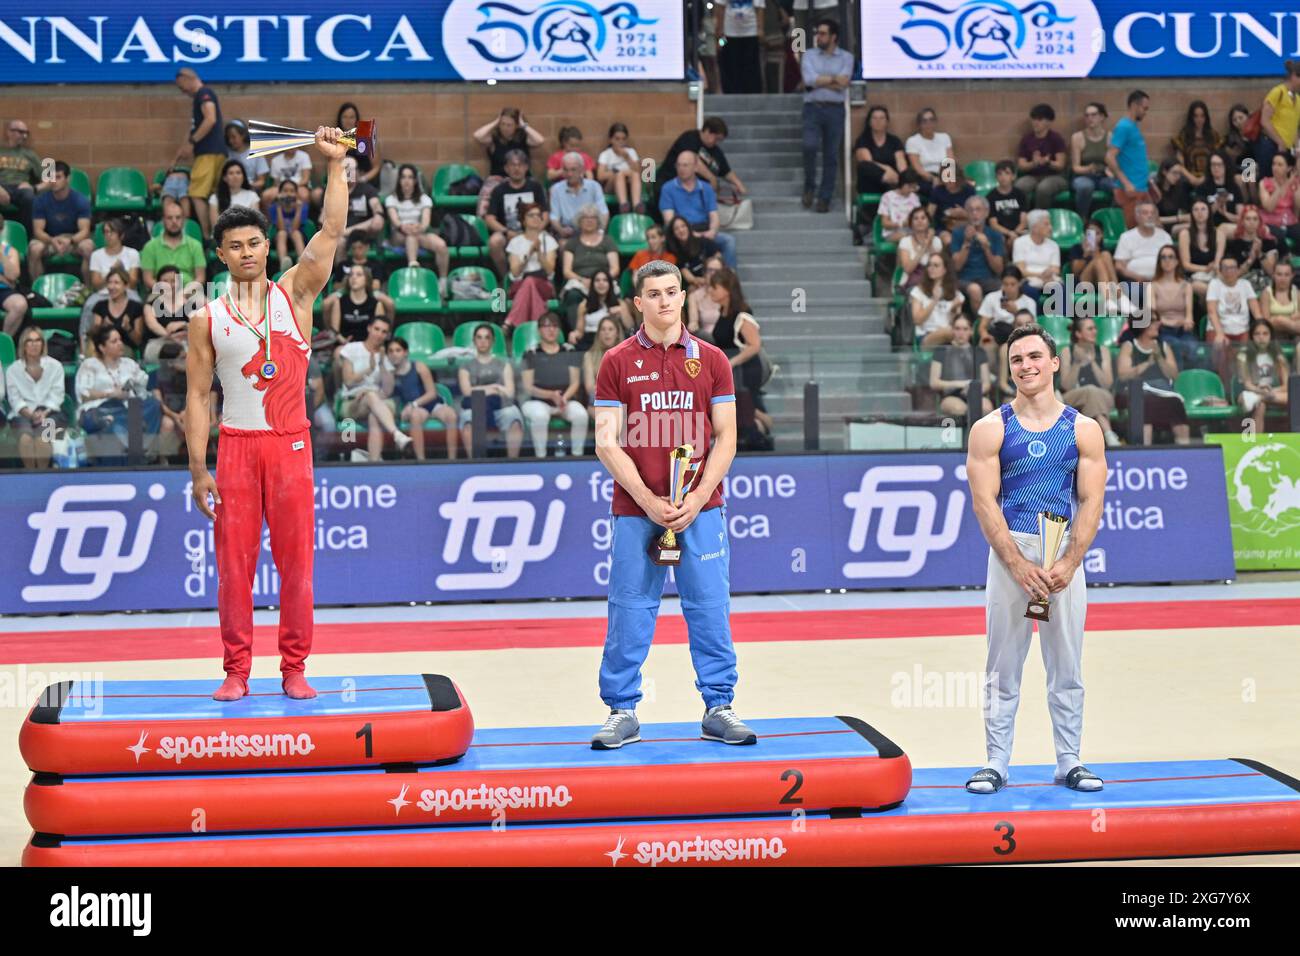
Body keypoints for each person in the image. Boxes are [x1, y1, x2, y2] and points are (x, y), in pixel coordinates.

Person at [184, 125, 351, 703]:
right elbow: (198, 398)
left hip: (290, 446)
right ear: (222, 254)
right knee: (234, 567)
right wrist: (198, 470)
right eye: (235, 245)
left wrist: (334, 163)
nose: (247, 252)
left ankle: (294, 667)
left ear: (266, 247)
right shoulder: (207, 318)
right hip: (235, 448)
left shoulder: (295, 294)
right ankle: (236, 669)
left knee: (296, 566)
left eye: (255, 243)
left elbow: (331, 229)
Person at [589, 258, 755, 749]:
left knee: (709, 607)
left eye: (672, 291)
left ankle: (718, 705)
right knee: (630, 609)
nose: (665, 300)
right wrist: (645, 498)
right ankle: (622, 710)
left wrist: (699, 496)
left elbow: (726, 438)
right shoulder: (616, 361)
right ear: (638, 303)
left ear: (684, 296)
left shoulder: (713, 360)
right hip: (635, 512)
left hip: (701, 511)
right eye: (654, 294)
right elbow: (605, 441)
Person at [964, 323, 1107, 795]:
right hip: (1013, 551)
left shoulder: (1084, 429)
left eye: (1033, 357)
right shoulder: (990, 429)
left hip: (1062, 549)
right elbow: (985, 504)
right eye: (1016, 361)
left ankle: (1069, 760)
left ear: (1054, 362)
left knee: (1066, 665)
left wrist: (1068, 562)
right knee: (1002, 664)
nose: (1025, 366)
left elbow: (1090, 501)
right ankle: (996, 762)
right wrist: (1017, 563)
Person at [76, 324, 166, 460]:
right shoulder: (89, 365)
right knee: (114, 416)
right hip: (102, 408)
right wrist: (111, 394)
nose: (120, 344)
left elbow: (143, 388)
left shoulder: (129, 363)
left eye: (120, 340)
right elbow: (84, 394)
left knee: (153, 404)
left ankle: (145, 449)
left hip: (130, 408)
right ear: (102, 347)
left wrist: (135, 384)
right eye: (114, 341)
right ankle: (131, 442)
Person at [338, 315, 413, 460]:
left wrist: (381, 364)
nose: (379, 334)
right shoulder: (351, 349)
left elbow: (388, 390)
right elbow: (347, 380)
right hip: (352, 402)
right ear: (369, 328)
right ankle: (397, 434)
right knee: (371, 396)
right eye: (377, 329)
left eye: (384, 332)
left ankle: (373, 464)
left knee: (374, 415)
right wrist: (369, 369)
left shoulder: (386, 355)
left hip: (380, 402)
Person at [799, 17, 854, 213]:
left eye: (822, 34)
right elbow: (809, 79)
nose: (818, 37)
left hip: (835, 109)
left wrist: (822, 82)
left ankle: (825, 197)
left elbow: (844, 83)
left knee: (831, 155)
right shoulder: (809, 55)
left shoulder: (846, 57)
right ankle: (809, 186)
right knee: (809, 146)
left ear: (833, 37)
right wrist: (833, 80)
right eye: (817, 33)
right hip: (813, 107)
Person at [521, 312, 588, 456]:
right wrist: (551, 395)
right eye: (546, 326)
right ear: (539, 330)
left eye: (554, 326)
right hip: (537, 401)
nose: (551, 330)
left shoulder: (568, 350)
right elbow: (528, 387)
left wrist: (563, 398)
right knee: (539, 416)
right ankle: (541, 457)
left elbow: (575, 382)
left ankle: (577, 456)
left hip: (566, 400)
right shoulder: (531, 352)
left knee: (581, 415)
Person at [1117, 317, 1190, 445]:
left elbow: (1174, 375)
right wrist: (1147, 363)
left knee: (1176, 402)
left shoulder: (1164, 346)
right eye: (1154, 321)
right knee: (1145, 403)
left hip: (1163, 391)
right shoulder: (1129, 346)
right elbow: (1123, 375)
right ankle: (1145, 453)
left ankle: (1185, 453)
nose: (1159, 324)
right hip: (1137, 391)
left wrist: (1159, 357)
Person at [386, 335, 459, 461]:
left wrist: (414, 404)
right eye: (391, 351)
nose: (394, 354)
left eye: (398, 350)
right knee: (415, 416)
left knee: (451, 415)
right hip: (414, 410)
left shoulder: (419, 366)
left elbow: (432, 393)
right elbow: (388, 395)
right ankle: (421, 460)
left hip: (431, 403)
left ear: (405, 352)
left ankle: (452, 460)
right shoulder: (389, 374)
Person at [658, 151, 736, 269]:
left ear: (695, 167)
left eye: (685, 165)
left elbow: (714, 216)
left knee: (728, 241)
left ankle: (729, 279)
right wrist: (692, 234)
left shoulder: (706, 188)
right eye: (678, 165)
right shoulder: (668, 188)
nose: (681, 169)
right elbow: (670, 220)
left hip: (704, 229)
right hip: (682, 231)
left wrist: (712, 231)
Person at [457, 323, 524, 457]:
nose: (482, 341)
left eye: (487, 338)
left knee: (514, 419)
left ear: (492, 341)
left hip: (501, 405)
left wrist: (478, 389)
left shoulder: (504, 365)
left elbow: (510, 392)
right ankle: (474, 463)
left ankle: (513, 463)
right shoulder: (465, 366)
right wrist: (494, 388)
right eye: (479, 337)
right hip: (474, 406)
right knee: (467, 422)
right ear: (474, 341)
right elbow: (466, 392)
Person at [5, 325, 66, 469]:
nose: (34, 345)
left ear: (43, 344)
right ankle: (30, 475)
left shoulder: (55, 366)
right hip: (22, 414)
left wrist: (44, 413)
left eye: (38, 340)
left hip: (51, 414)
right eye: (29, 341)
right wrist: (31, 414)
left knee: (43, 439)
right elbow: (14, 399)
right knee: (26, 439)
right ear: (23, 345)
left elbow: (57, 395)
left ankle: (43, 474)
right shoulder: (13, 370)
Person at [174, 68, 224, 239]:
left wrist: (193, 142)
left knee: (196, 193)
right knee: (211, 196)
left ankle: (208, 236)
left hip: (209, 152)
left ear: (188, 78)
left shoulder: (204, 93)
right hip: (211, 153)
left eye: (182, 87)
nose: (184, 92)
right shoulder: (200, 97)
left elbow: (211, 119)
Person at [485, 149, 550, 278]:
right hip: (509, 233)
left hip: (534, 231)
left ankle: (546, 279)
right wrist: (506, 232)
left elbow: (546, 215)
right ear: (506, 169)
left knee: (546, 240)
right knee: (494, 242)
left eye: (520, 165)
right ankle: (506, 278)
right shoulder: (498, 190)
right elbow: (489, 218)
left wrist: (534, 231)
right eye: (512, 165)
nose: (516, 169)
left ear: (526, 167)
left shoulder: (535, 187)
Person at [1058, 316, 1119, 446]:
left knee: (1093, 393)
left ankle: (1093, 442)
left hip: (1103, 396)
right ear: (1078, 334)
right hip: (1074, 396)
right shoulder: (1067, 351)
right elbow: (1066, 386)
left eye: (1095, 328)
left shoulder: (1103, 351)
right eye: (1090, 329)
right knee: (1090, 391)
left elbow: (1107, 384)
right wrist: (1077, 363)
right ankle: (1108, 434)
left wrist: (1092, 362)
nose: (1095, 332)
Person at [383, 163, 449, 282]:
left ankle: (443, 282)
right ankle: (413, 270)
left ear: (415, 180)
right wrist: (403, 227)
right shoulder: (391, 199)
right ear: (398, 180)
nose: (406, 181)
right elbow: (395, 221)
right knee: (410, 236)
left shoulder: (425, 199)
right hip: (398, 235)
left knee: (441, 245)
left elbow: (425, 222)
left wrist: (419, 227)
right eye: (403, 177)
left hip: (418, 232)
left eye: (410, 177)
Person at [28, 161, 93, 281]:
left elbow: (85, 230)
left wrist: (71, 240)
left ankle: (88, 292)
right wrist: (52, 240)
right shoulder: (40, 201)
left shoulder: (80, 200)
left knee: (88, 247)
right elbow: (38, 231)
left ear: (67, 178)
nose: (54, 181)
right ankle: (36, 292)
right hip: (48, 238)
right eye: (52, 178)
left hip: (73, 239)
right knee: (34, 249)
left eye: (58, 177)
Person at [503, 202, 560, 330]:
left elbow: (550, 270)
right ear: (523, 220)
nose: (536, 218)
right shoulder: (515, 242)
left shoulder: (549, 241)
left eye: (538, 215)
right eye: (531, 215)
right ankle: (538, 325)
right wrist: (529, 253)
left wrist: (539, 252)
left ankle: (511, 322)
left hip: (543, 284)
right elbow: (515, 273)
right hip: (520, 285)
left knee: (530, 282)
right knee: (529, 284)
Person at [662, 118, 747, 201]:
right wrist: (711, 178)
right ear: (707, 131)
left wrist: (738, 184)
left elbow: (725, 171)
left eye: (719, 140)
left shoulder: (715, 151)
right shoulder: (689, 138)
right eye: (716, 138)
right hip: (675, 187)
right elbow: (693, 161)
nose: (716, 142)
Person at [950, 194, 1006, 315]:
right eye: (971, 210)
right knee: (975, 290)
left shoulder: (995, 235)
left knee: (1006, 289)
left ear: (986, 212)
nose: (975, 214)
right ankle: (980, 325)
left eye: (978, 210)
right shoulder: (957, 234)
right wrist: (966, 242)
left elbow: (999, 269)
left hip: (988, 278)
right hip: (964, 279)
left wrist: (986, 247)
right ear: (967, 214)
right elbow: (956, 267)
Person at [928, 313, 992, 417]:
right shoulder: (941, 351)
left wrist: (974, 391)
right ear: (952, 330)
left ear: (971, 331)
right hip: (950, 396)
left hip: (976, 394)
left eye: (965, 329)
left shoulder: (979, 352)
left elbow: (986, 384)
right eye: (957, 329)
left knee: (986, 408)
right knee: (960, 409)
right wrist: (961, 384)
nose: (961, 333)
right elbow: (934, 382)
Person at [1106, 89, 1152, 227]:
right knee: (1134, 233)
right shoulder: (1124, 127)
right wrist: (1125, 183)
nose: (1145, 112)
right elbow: (1109, 157)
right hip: (1130, 191)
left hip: (1141, 187)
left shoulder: (1134, 126)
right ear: (1134, 105)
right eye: (1144, 108)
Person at [1149, 244, 1198, 369]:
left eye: (1171, 257)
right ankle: (1177, 382)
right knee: (1174, 345)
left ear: (1177, 261)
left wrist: (1186, 321)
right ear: (1159, 262)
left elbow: (1189, 316)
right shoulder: (1152, 286)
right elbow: (1153, 315)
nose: (1167, 261)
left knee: (1193, 347)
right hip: (1163, 329)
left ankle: (1192, 382)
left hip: (1182, 330)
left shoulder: (1186, 286)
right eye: (1163, 257)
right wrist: (1168, 322)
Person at [141, 197, 206, 288]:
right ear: (163, 220)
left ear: (184, 220)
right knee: (148, 303)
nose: (174, 221)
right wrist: (167, 292)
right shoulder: (150, 247)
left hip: (189, 292)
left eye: (178, 217)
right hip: (160, 293)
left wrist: (184, 294)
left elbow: (200, 277)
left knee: (207, 301)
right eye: (169, 218)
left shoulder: (195, 245)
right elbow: (148, 279)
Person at [1238, 319, 1289, 433]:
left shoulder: (1278, 357)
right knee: (1260, 405)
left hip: (1272, 393)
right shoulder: (1243, 355)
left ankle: (1260, 398)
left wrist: (1271, 390)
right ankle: (1258, 443)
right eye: (1257, 334)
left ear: (1271, 336)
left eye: (1265, 333)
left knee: (1293, 397)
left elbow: (1286, 386)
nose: (1261, 337)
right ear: (1252, 337)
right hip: (1250, 392)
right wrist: (1259, 390)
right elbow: (1247, 385)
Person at [1014, 104, 1069, 210]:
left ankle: (1040, 217)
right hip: (1032, 175)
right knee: (1020, 186)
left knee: (1043, 188)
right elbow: (1021, 165)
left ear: (1048, 122)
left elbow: (1060, 165)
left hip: (1055, 176)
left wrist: (1048, 162)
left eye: (1040, 119)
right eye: (1034, 119)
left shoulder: (1056, 139)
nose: (1035, 122)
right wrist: (1033, 163)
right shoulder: (1027, 139)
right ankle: (1023, 217)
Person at [1070, 102, 1119, 220]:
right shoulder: (1077, 137)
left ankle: (1112, 218)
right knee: (1085, 186)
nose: (1090, 118)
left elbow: (1115, 162)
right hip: (1083, 175)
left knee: (1119, 187)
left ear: (1102, 117)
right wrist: (1088, 168)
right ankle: (1082, 219)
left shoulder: (1110, 137)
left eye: (1093, 115)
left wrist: (1111, 171)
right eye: (1087, 116)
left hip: (1104, 176)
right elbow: (1075, 167)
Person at [1206, 255, 1262, 357]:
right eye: (1226, 268)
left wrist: (1261, 328)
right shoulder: (1214, 284)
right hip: (1219, 329)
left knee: (1245, 357)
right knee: (1222, 349)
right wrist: (1220, 333)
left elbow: (1256, 312)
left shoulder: (1245, 284)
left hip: (1242, 330)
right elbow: (1212, 312)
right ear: (1220, 270)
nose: (1229, 271)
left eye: (1232, 267)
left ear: (1238, 269)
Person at [325, 264, 393, 344]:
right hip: (345, 346)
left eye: (359, 275)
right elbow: (335, 332)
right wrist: (344, 341)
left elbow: (380, 331)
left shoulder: (376, 304)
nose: (354, 277)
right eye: (351, 275)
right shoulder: (339, 302)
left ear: (367, 279)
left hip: (369, 347)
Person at [1256, 59, 1300, 179]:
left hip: (1286, 149)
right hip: (1271, 145)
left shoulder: (1297, 99)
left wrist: (1297, 147)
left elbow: (1293, 126)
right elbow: (1264, 121)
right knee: (1268, 179)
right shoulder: (1277, 92)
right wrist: (1279, 141)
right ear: (1294, 77)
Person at [909, 253, 965, 348]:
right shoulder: (918, 291)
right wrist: (934, 300)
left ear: (945, 270)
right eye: (929, 265)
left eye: (936, 265)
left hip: (949, 335)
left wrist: (954, 310)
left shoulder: (955, 294)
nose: (931, 268)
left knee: (960, 331)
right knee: (954, 333)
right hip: (926, 337)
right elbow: (917, 320)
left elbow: (955, 322)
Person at [977, 267, 1035, 357]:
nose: (1009, 288)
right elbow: (982, 326)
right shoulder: (991, 298)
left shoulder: (1029, 302)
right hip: (997, 334)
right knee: (987, 345)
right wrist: (985, 336)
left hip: (1019, 336)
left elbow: (1032, 328)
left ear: (1019, 283)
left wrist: (1016, 312)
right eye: (1005, 284)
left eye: (1013, 284)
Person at [87, 267, 145, 355]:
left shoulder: (135, 307)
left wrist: (128, 328)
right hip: (103, 347)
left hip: (125, 347)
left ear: (125, 286)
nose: (111, 287)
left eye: (116, 283)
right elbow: (94, 335)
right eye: (109, 283)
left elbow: (138, 341)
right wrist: (103, 327)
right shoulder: (100, 305)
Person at [474, 108, 545, 179]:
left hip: (523, 179)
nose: (505, 128)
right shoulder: (494, 140)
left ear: (517, 126)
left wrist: (524, 125)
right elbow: (478, 136)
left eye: (509, 125)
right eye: (503, 124)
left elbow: (540, 140)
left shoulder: (523, 138)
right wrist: (495, 122)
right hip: (499, 180)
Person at [549, 153, 608, 237]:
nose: (569, 174)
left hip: (592, 229)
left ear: (582, 170)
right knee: (564, 245)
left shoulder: (594, 186)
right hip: (568, 232)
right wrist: (561, 230)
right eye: (566, 170)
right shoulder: (556, 189)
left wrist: (600, 231)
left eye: (573, 170)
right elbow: (554, 216)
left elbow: (603, 212)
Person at [853, 105, 907, 197]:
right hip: (871, 184)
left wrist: (904, 178)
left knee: (907, 174)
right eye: (874, 118)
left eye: (882, 118)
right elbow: (868, 162)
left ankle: (898, 187)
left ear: (887, 122)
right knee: (864, 166)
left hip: (892, 182)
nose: (878, 121)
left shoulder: (894, 141)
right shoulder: (863, 140)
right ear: (869, 122)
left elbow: (901, 163)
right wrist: (887, 169)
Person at [1113, 201, 1173, 284]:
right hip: (1135, 281)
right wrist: (1138, 278)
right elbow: (1119, 266)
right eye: (1145, 213)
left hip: (1161, 281)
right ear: (1137, 217)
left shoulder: (1165, 236)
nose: (1150, 216)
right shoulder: (1126, 237)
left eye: (1153, 213)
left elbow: (1172, 261)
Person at [338, 155, 384, 260]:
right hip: (341, 233)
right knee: (340, 242)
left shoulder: (367, 189)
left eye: (353, 170)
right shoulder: (334, 190)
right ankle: (343, 273)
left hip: (363, 233)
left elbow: (376, 205)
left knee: (378, 220)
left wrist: (378, 214)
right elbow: (323, 218)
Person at [0, 119, 42, 232]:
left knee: (29, 197)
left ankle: (26, 237)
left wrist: (34, 188)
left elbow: (50, 179)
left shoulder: (31, 154)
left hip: (20, 188)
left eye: (26, 133)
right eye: (20, 132)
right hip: (1, 186)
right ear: (9, 132)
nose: (24, 136)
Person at [715, 0, 765, 95]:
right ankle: (732, 92)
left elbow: (760, 8)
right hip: (729, 33)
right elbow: (720, 8)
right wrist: (720, 30)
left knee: (751, 64)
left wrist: (760, 29)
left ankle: (752, 92)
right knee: (730, 63)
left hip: (751, 31)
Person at [571, 269, 631, 348]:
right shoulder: (584, 305)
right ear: (592, 284)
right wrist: (574, 334)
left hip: (614, 343)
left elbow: (630, 327)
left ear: (610, 284)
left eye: (605, 280)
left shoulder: (620, 303)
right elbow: (580, 332)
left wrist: (621, 311)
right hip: (590, 342)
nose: (601, 283)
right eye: (597, 280)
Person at [1178, 198, 1224, 299]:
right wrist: (1205, 269)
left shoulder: (1219, 234)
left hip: (1214, 274)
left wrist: (1214, 267)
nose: (1200, 213)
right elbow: (1186, 265)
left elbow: (1218, 262)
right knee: (1201, 287)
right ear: (1191, 213)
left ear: (1209, 212)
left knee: (1221, 283)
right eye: (1196, 209)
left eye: (1203, 209)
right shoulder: (1185, 234)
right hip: (1192, 276)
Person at [1011, 209, 1061, 300]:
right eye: (1046, 224)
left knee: (1061, 289)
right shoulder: (1020, 243)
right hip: (1028, 280)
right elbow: (1021, 270)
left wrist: (1048, 275)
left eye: (1050, 224)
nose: (1050, 228)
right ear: (1034, 227)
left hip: (1049, 279)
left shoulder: (1054, 245)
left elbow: (1056, 269)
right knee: (1030, 291)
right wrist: (1040, 275)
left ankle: (1063, 314)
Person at [905, 108, 955, 200]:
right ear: (919, 124)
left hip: (945, 176)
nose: (929, 124)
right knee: (938, 190)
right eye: (924, 121)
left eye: (931, 120)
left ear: (935, 122)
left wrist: (945, 179)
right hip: (925, 178)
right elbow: (917, 168)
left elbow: (950, 162)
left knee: (966, 187)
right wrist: (933, 179)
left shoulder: (944, 137)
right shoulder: (913, 141)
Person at [1226, 206, 1281, 286]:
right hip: (1242, 282)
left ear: (1259, 222)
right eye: (1248, 219)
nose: (1252, 222)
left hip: (1264, 281)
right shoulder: (1234, 244)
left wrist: (1259, 254)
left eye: (1255, 219)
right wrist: (1251, 258)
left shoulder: (1269, 242)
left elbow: (1270, 272)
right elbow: (1234, 274)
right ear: (1242, 222)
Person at [1171, 100, 1221, 189]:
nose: (1199, 119)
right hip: (1189, 177)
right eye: (1196, 116)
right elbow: (1180, 163)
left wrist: (1205, 178)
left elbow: (1219, 160)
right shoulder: (1184, 135)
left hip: (1210, 176)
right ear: (1191, 118)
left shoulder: (1213, 136)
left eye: (1202, 116)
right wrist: (1192, 178)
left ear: (1206, 117)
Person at [1258, 151, 1300, 254]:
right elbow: (1269, 207)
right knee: (1279, 235)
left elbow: (1297, 208)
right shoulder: (1264, 183)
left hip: (1289, 221)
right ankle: (1284, 259)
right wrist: (1284, 185)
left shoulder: (1295, 183)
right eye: (1273, 164)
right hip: (1269, 222)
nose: (1275, 167)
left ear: (1289, 168)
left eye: (1280, 165)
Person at [597, 123, 644, 214]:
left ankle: (637, 205)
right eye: (617, 139)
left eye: (623, 139)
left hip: (629, 184)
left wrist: (627, 157)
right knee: (619, 175)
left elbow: (638, 172)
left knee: (634, 174)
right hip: (611, 186)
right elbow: (600, 175)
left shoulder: (631, 152)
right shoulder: (606, 154)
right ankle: (623, 205)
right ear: (611, 140)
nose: (620, 142)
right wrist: (618, 172)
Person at [1195, 151, 1243, 236]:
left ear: (1226, 166)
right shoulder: (1202, 188)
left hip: (1231, 227)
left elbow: (1241, 217)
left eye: (1219, 165)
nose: (1216, 168)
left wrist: (1225, 214)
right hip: (1210, 227)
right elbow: (1200, 216)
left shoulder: (1234, 187)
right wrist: (1217, 204)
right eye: (1213, 165)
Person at [582, 315, 624, 411]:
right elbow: (590, 388)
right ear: (599, 334)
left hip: (623, 402)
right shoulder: (589, 355)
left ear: (617, 333)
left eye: (610, 329)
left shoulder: (626, 355)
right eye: (603, 329)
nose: (606, 333)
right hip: (599, 402)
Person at [269, 178, 310, 274]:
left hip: (297, 237)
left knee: (295, 233)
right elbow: (281, 228)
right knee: (282, 233)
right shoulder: (274, 207)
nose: (288, 194)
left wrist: (298, 210)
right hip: (280, 240)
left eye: (292, 191)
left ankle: (302, 262)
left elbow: (294, 228)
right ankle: (284, 262)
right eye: (285, 191)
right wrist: (279, 208)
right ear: (279, 193)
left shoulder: (302, 207)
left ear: (296, 194)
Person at [1066, 218, 1119, 294]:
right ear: (1085, 235)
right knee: (1098, 262)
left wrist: (1096, 253)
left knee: (1105, 255)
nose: (1094, 237)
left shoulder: (1104, 250)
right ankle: (1115, 297)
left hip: (1101, 283)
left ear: (1102, 235)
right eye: (1091, 234)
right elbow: (1075, 271)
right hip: (1082, 284)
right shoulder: (1077, 248)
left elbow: (1110, 274)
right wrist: (1085, 254)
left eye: (1097, 233)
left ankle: (1117, 294)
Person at [89, 218, 141, 291]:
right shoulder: (96, 255)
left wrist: (122, 271)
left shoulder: (133, 253)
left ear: (121, 235)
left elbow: (132, 284)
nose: (108, 235)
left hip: (127, 294)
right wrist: (111, 272)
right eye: (106, 232)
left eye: (112, 232)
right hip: (103, 294)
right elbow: (96, 285)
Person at [996, 308, 1037, 399]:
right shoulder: (1005, 348)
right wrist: (1015, 394)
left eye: (1027, 324)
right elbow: (1003, 383)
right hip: (1014, 390)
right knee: (1010, 404)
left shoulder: (1041, 346)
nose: (1023, 328)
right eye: (1019, 324)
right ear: (1014, 326)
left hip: (1037, 388)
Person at [1222, 104, 1258, 203]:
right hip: (1238, 168)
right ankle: (1245, 206)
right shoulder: (1231, 138)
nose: (1238, 122)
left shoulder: (1256, 134)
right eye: (1235, 120)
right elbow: (1230, 160)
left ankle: (1255, 205)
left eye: (1241, 117)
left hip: (1253, 167)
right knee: (1239, 179)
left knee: (1250, 178)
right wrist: (1233, 154)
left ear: (1247, 116)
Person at [987, 161, 1029, 245]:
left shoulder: (1020, 194)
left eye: (1007, 173)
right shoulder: (990, 197)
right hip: (1000, 232)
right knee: (1000, 239)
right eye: (1000, 174)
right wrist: (1009, 233)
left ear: (1013, 176)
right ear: (996, 177)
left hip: (1018, 231)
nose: (1003, 177)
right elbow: (993, 224)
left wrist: (1015, 232)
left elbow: (1024, 221)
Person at [223, 121, 269, 195]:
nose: (230, 141)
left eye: (233, 137)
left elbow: (261, 181)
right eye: (228, 138)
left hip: (251, 190)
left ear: (243, 135)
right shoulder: (227, 154)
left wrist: (248, 187)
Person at [686, 253, 725, 341]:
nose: (713, 274)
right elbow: (693, 321)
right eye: (710, 270)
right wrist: (693, 325)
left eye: (717, 271)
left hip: (727, 338)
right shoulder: (694, 296)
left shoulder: (728, 293)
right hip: (707, 339)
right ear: (704, 272)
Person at [897, 207, 942, 282]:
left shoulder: (937, 241)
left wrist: (930, 243)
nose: (919, 221)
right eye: (916, 218)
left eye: (923, 218)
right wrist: (924, 247)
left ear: (929, 222)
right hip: (911, 282)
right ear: (911, 223)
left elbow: (939, 266)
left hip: (933, 281)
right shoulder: (905, 241)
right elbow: (908, 269)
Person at [877, 169, 923, 243]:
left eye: (914, 187)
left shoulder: (914, 197)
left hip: (912, 232)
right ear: (902, 183)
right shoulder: (887, 197)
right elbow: (884, 223)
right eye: (910, 187)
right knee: (907, 238)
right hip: (892, 233)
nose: (912, 190)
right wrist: (902, 223)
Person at [1260, 259, 1300, 340]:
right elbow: (1266, 321)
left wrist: (1292, 318)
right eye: (1279, 274)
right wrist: (1284, 321)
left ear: (1292, 275)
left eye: (1286, 275)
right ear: (1274, 275)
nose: (1283, 278)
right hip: (1274, 331)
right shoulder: (1267, 293)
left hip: (1295, 332)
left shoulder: (1297, 292)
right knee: (1278, 320)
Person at [1150, 159, 1192, 235]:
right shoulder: (1155, 189)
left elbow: (1185, 213)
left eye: (1179, 173)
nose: (1178, 177)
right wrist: (1179, 218)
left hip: (1175, 224)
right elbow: (1152, 218)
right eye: (1174, 173)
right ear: (1164, 172)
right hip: (1158, 226)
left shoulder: (1180, 187)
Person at [0, 213, 26, 334]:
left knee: (20, 304)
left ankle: (3, 343)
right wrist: (3, 278)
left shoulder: (10, 251)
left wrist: (1, 254)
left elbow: (13, 275)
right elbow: (10, 281)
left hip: (3, 291)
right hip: (6, 285)